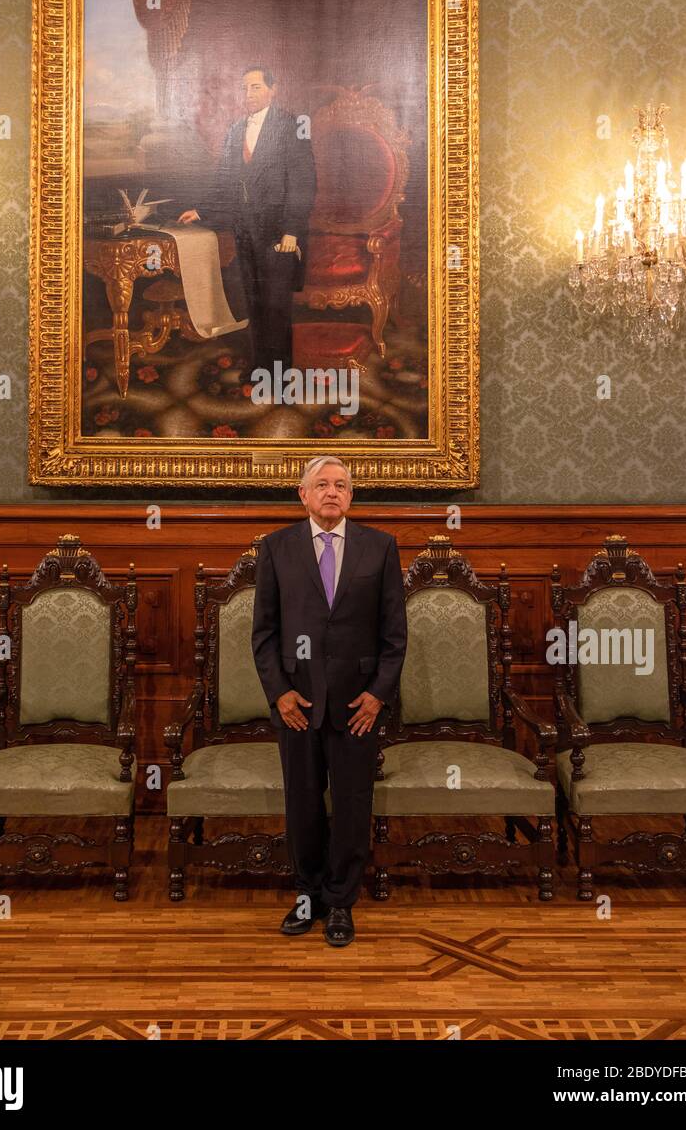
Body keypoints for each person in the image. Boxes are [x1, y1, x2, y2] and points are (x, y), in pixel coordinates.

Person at [251, 455, 407, 946]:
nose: (332, 492)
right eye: (322, 484)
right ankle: (307, 895)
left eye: (341, 485)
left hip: (356, 705)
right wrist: (280, 694)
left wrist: (377, 697)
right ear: (303, 494)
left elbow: (395, 635)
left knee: (352, 802)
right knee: (303, 802)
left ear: (352, 495)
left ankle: (340, 902)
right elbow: (264, 634)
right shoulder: (276, 548)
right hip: (297, 704)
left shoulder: (380, 548)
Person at [177, 66, 316, 374]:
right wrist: (200, 210)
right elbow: (224, 179)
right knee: (253, 302)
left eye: (255, 87)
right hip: (245, 228)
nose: (248, 94)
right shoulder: (236, 128)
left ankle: (279, 378)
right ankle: (260, 367)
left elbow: (303, 182)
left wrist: (292, 231)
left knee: (276, 304)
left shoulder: (293, 125)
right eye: (244, 88)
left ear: (273, 89)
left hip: (279, 232)